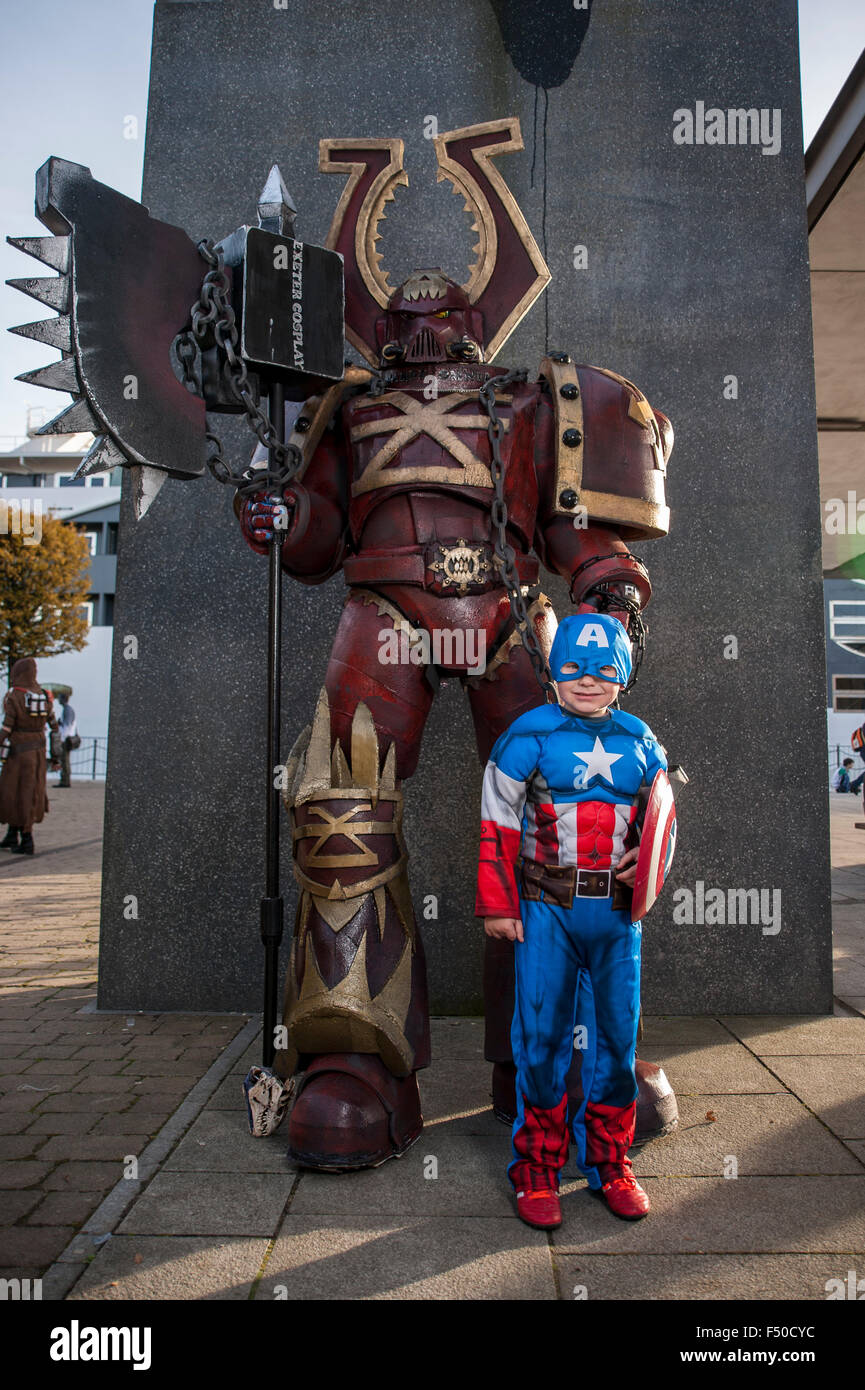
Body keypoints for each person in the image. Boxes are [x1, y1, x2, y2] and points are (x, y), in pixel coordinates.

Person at [475, 611, 667, 1230]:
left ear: (624, 676)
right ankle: (536, 1168)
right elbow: (497, 824)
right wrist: (499, 905)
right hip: (546, 912)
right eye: (572, 669)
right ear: (554, 672)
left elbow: (662, 824)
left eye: (603, 670)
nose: (587, 681)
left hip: (615, 916)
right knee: (540, 1040)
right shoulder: (526, 736)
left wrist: (650, 862)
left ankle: (610, 1163)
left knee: (616, 1041)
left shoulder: (642, 741)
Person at [0, 658, 61, 856]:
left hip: (18, 754)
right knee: (32, 791)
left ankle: (26, 838)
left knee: (14, 792)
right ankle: (12, 834)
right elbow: (54, 727)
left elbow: (7, 727)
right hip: (39, 753)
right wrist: (56, 756)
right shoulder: (44, 695)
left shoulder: (15, 696)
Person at [55, 691, 78, 788]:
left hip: (66, 738)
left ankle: (65, 781)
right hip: (67, 737)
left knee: (65, 759)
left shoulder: (67, 710)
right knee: (64, 759)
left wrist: (62, 738)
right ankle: (64, 779)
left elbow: (67, 725)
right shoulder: (67, 709)